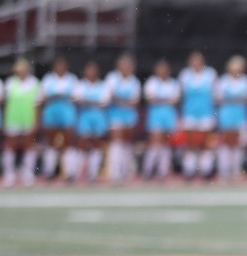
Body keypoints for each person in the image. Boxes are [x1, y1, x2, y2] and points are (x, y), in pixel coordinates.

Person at [176, 52, 217, 180]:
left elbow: (216, 94)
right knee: (190, 143)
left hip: (206, 113)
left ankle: (206, 169)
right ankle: (189, 169)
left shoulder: (210, 74)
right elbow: (179, 95)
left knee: (205, 143)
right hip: (190, 113)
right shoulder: (185, 75)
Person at [214, 56, 247, 181]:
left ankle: (236, 170)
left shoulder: (246, 80)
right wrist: (236, 98)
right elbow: (217, 98)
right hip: (227, 116)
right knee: (225, 145)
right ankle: (224, 171)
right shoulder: (223, 81)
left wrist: (232, 98)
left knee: (239, 145)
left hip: (241, 116)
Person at [72, 60, 112, 184]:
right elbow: (77, 99)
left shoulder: (103, 85)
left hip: (99, 118)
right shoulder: (80, 84)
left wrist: (88, 101)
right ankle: (79, 173)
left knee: (96, 145)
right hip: (84, 118)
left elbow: (104, 102)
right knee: (83, 144)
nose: (91, 72)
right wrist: (94, 102)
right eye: (89, 70)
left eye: (93, 70)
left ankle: (93, 173)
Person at [38, 57, 78, 181]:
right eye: (58, 65)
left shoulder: (72, 79)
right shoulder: (48, 79)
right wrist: (55, 96)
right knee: (51, 143)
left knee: (68, 143)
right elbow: (40, 97)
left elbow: (77, 97)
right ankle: (49, 171)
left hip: (67, 114)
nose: (60, 68)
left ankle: (70, 172)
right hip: (51, 114)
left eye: (62, 65)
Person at [0, 58, 39, 185]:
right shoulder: (10, 83)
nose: (21, 72)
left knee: (28, 146)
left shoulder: (34, 83)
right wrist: (4, 119)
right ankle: (9, 173)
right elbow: (5, 103)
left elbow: (37, 104)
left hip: (28, 117)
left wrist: (36, 120)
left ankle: (28, 173)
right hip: (13, 118)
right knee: (10, 146)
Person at [103, 55, 141, 183]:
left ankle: (126, 171)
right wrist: (125, 100)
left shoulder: (134, 81)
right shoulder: (112, 78)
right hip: (115, 115)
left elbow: (135, 101)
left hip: (129, 116)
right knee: (116, 142)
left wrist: (121, 100)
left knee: (126, 143)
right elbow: (110, 96)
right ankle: (114, 172)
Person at [141, 60, 179, 180]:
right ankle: (148, 170)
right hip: (155, 116)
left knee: (166, 144)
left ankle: (163, 171)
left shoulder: (173, 83)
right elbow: (150, 99)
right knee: (155, 143)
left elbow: (175, 99)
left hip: (168, 116)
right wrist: (166, 100)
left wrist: (160, 99)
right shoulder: (152, 82)